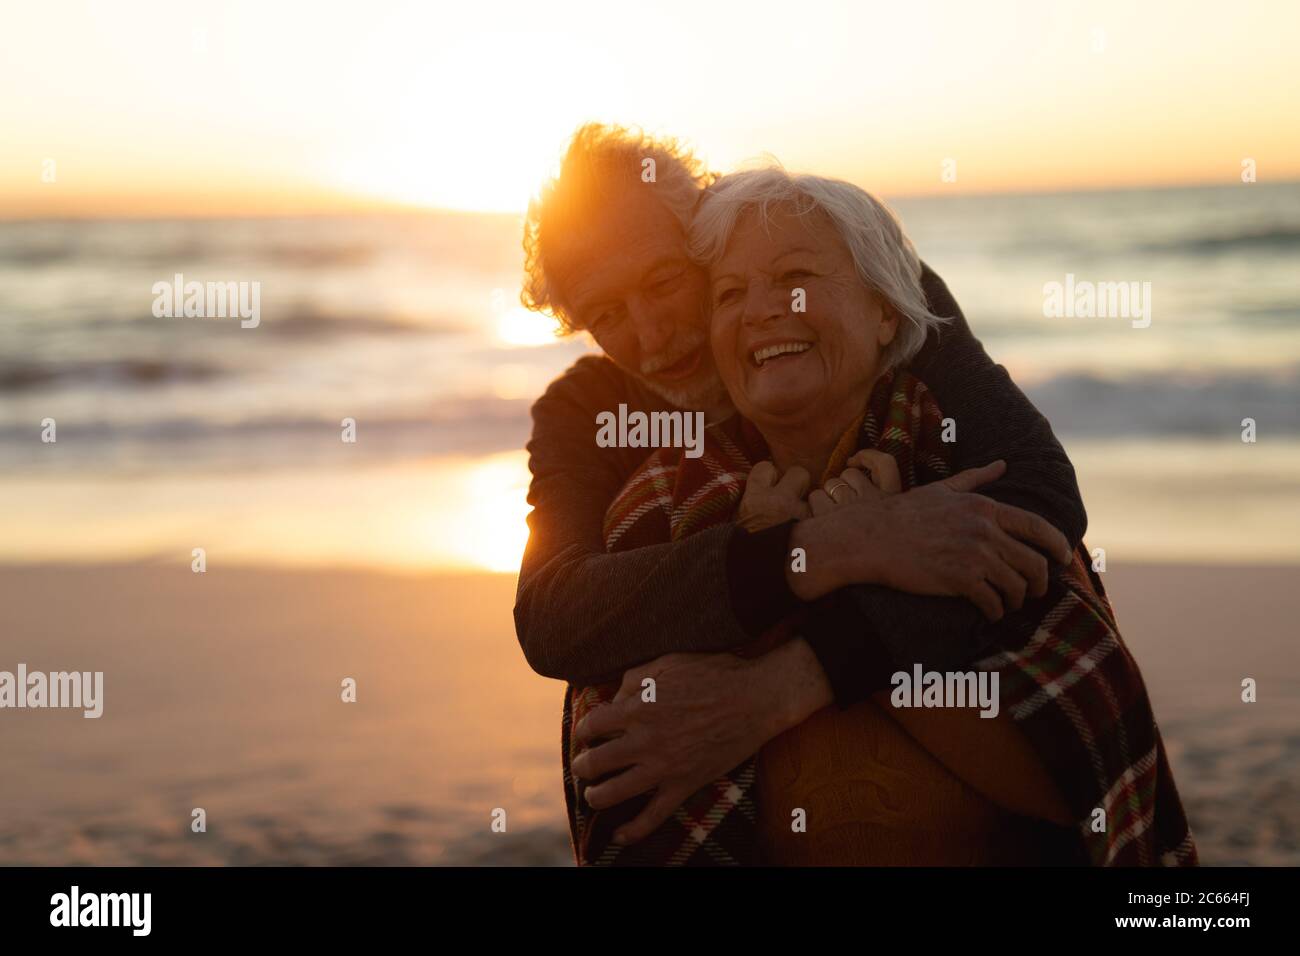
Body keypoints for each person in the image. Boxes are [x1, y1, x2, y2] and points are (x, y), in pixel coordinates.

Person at [565, 166, 1197, 866]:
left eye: (796, 278)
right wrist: (802, 550)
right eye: (730, 293)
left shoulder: (977, 502)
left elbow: (1082, 796)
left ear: (887, 311)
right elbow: (618, 778)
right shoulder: (647, 522)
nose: (762, 310)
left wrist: (797, 641)